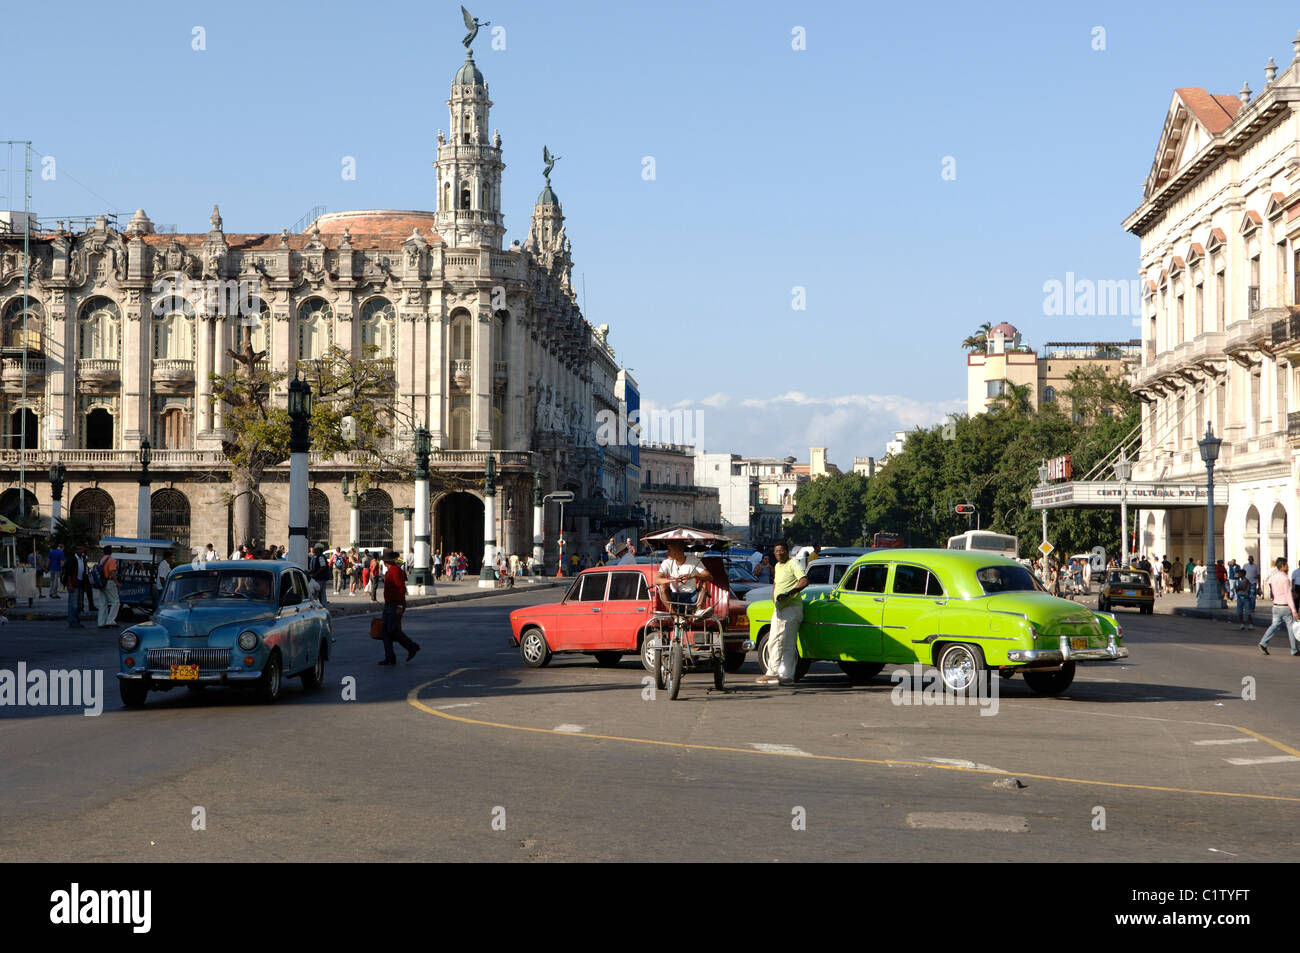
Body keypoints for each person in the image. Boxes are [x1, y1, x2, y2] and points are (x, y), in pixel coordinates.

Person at [759, 542, 808, 686]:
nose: (779, 553)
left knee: (788, 643)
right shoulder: (777, 566)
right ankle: (772, 673)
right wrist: (774, 595)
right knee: (773, 640)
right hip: (779, 609)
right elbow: (776, 582)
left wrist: (789, 594)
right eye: (776, 551)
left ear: (787, 551)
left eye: (781, 551)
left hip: (792, 608)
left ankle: (787, 676)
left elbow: (804, 581)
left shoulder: (793, 563)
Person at [377, 550, 420, 665]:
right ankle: (390, 656)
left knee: (392, 630)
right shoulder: (393, 570)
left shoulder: (394, 571)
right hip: (390, 604)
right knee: (385, 631)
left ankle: (411, 646)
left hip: (395, 604)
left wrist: (400, 605)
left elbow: (401, 588)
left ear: (386, 562)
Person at [655, 540, 712, 618]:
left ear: (678, 550)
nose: (667, 553)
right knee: (662, 586)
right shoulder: (667, 562)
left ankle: (698, 611)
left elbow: (709, 576)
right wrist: (674, 580)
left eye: (670, 550)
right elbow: (656, 580)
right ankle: (675, 617)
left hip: (692, 597)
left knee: (704, 582)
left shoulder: (693, 560)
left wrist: (694, 576)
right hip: (674, 598)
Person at [1260, 557, 1299, 655]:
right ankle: (1294, 649)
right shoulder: (1285, 578)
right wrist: (1294, 610)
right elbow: (1288, 595)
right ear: (1282, 566)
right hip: (1285, 606)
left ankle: (1263, 642)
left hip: (1276, 605)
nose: (1288, 566)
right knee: (1291, 627)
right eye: (1286, 565)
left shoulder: (1274, 577)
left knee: (1274, 625)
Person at [96, 545, 120, 628]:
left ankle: (101, 622)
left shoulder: (101, 560)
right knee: (115, 602)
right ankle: (111, 621)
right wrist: (117, 582)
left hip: (101, 582)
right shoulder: (111, 560)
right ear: (111, 551)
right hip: (109, 582)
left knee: (103, 603)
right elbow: (111, 572)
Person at [63, 545, 86, 628]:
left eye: (81, 548)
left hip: (80, 583)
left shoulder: (83, 559)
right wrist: (70, 584)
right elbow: (69, 573)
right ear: (75, 550)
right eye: (78, 549)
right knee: (73, 604)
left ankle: (77, 620)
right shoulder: (72, 559)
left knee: (79, 604)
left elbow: (84, 572)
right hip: (73, 583)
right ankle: (72, 621)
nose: (80, 550)